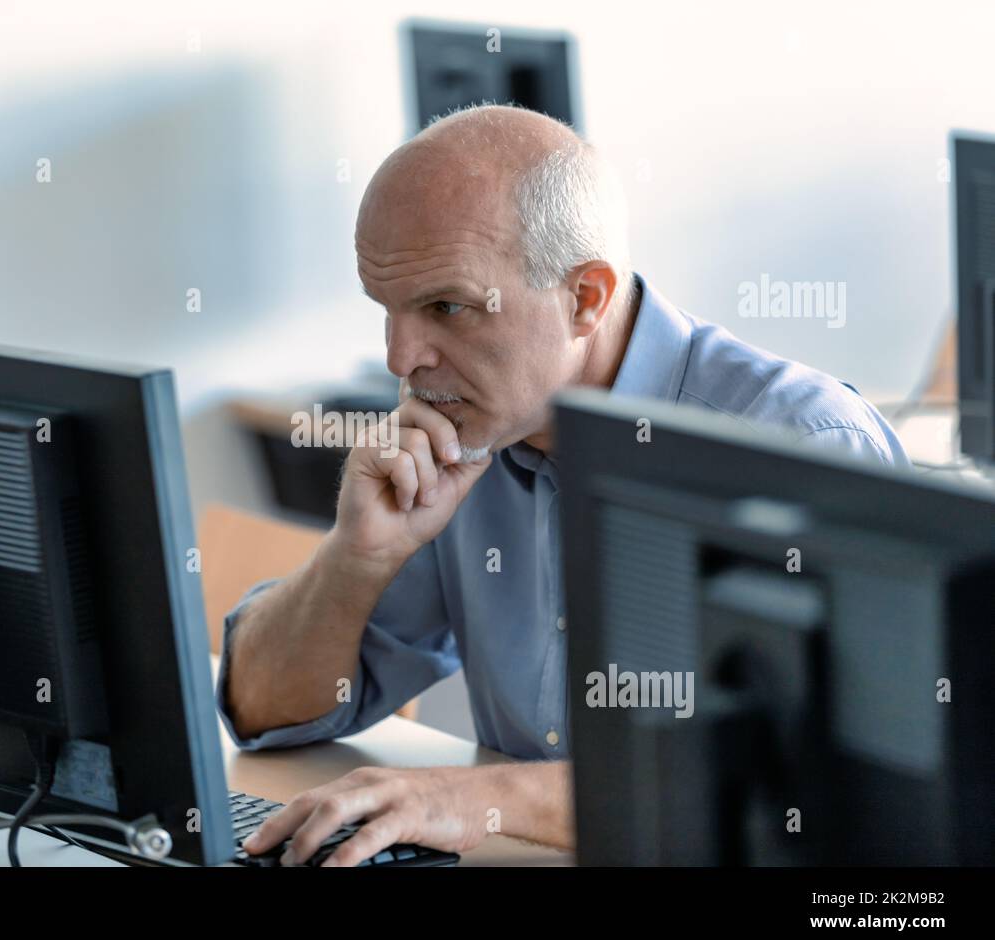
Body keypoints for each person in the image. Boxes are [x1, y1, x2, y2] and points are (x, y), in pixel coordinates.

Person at [219, 104, 908, 866]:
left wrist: (474, 799)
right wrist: (356, 558)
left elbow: (824, 798)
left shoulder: (804, 446)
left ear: (586, 298)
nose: (401, 357)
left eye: (447, 307)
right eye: (389, 310)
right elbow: (263, 713)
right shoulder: (466, 429)